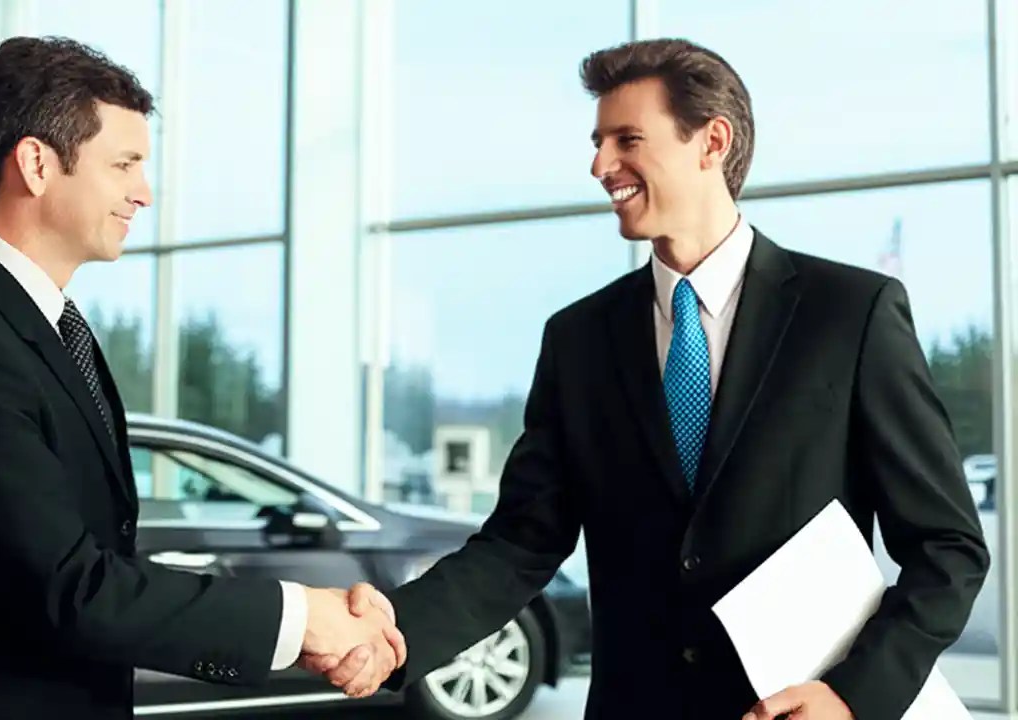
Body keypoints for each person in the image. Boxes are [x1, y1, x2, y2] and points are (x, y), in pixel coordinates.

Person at [307, 38, 990, 719]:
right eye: (598, 142)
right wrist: (398, 631)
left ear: (712, 140)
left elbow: (946, 548)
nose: (602, 165)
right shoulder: (578, 340)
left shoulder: (849, 315)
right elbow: (522, 540)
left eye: (627, 139)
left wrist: (853, 696)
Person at [0, 36, 402, 720]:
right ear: (36, 163)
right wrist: (302, 620)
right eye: (124, 165)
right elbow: (70, 589)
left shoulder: (40, 325)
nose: (143, 194)